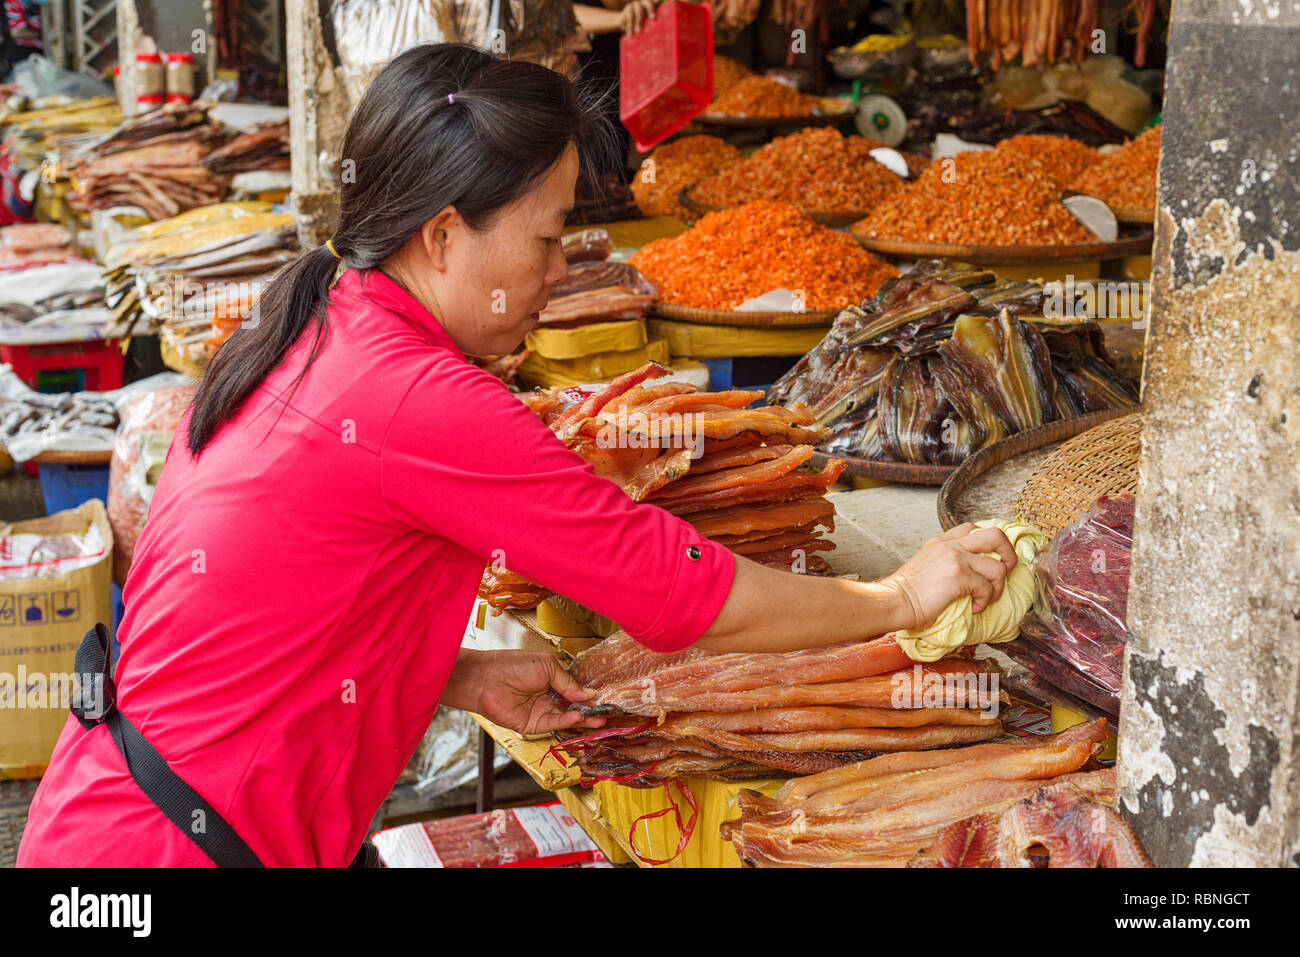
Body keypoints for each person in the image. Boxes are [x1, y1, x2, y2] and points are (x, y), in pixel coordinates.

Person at [17, 43, 1015, 868]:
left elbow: (265, 597)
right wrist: (900, 601)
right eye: (544, 240)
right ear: (443, 235)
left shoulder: (319, 316)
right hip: (172, 847)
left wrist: (447, 675)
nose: (559, 271)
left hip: (122, 812)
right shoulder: (418, 397)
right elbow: (679, 594)